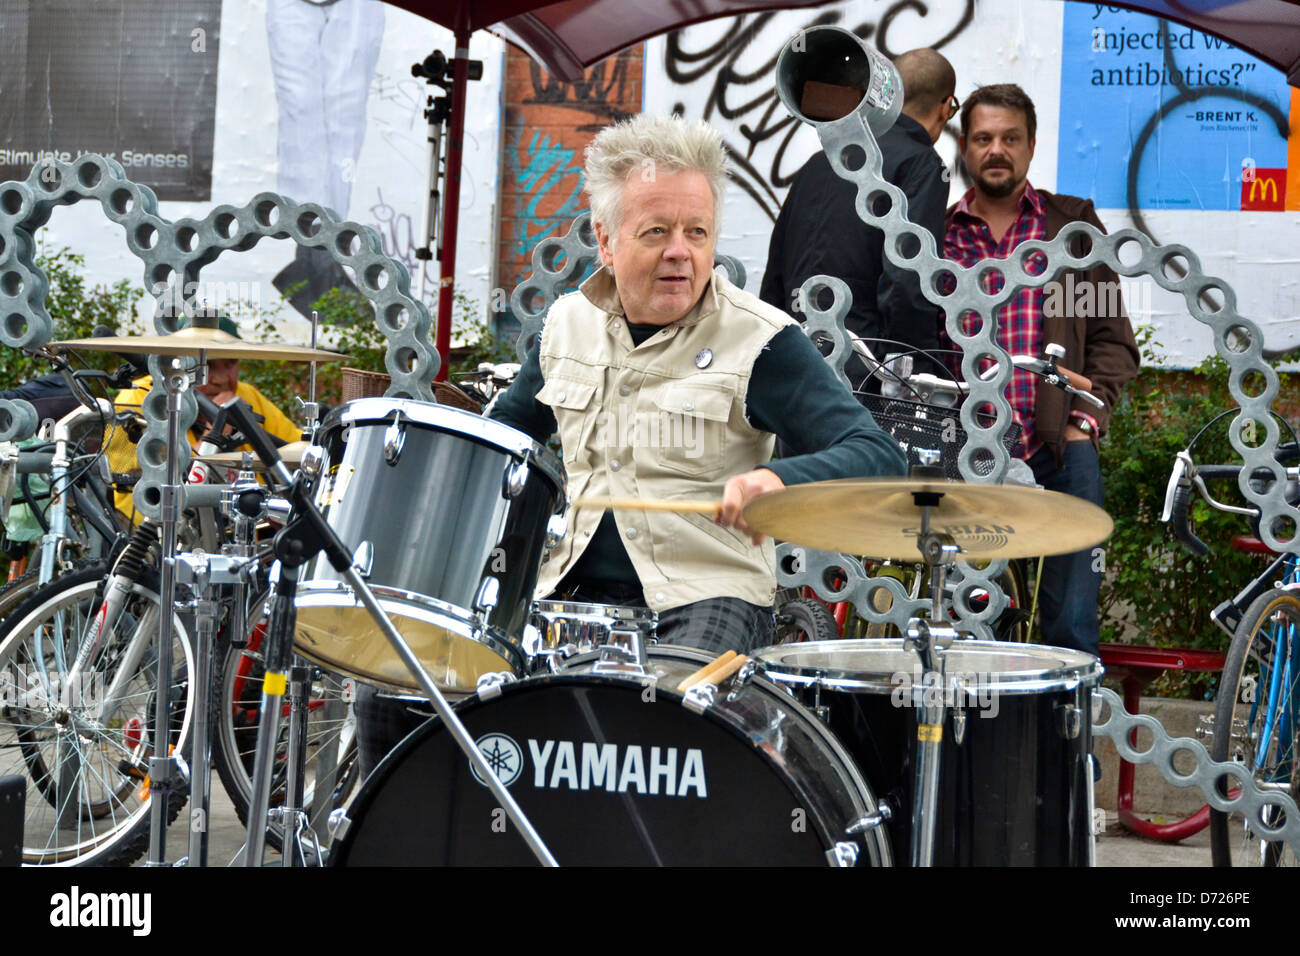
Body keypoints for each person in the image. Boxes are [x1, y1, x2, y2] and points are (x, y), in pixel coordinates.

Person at [355, 113, 906, 775]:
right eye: (657, 232)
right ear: (606, 240)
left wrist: (780, 479)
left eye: (697, 232)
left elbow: (876, 452)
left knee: (662, 738)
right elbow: (504, 445)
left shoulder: (762, 340)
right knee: (397, 679)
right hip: (563, 591)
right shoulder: (565, 325)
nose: (682, 252)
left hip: (706, 597)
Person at [941, 84, 1139, 656]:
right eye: (982, 138)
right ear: (966, 147)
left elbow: (1111, 343)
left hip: (1056, 448)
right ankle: (960, 741)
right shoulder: (938, 235)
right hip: (963, 449)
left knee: (1071, 629)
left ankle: (1062, 744)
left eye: (1009, 138)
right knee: (956, 624)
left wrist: (1084, 419)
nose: (996, 150)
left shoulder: (1068, 233)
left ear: (1031, 147)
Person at [760, 48, 957, 381]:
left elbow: (776, 274)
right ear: (946, 106)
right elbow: (908, 279)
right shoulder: (922, 164)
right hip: (865, 371)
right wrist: (915, 368)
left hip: (795, 358)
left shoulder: (818, 163)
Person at [103, 316, 301, 521]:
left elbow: (297, 449)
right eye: (210, 365)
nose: (223, 379)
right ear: (178, 363)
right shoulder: (138, 398)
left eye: (231, 363)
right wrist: (212, 435)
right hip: (160, 536)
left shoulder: (245, 395)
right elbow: (132, 492)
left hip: (252, 533)